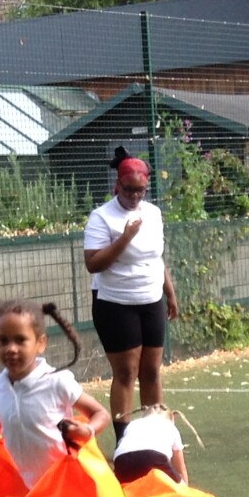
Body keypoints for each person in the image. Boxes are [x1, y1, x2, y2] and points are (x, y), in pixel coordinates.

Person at [0, 301, 109, 488]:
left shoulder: (57, 382)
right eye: (3, 340)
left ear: (40, 343)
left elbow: (101, 414)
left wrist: (87, 431)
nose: (11, 348)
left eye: (20, 340)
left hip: (65, 485)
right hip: (25, 489)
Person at [83, 150, 179, 433]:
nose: (135, 196)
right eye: (129, 190)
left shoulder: (153, 213)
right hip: (115, 303)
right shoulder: (102, 217)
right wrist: (124, 238)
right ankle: (124, 440)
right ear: (118, 185)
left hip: (151, 299)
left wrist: (170, 293)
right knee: (126, 373)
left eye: (141, 191)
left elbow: (156, 258)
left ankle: (154, 435)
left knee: (151, 371)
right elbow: (93, 264)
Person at [111, 403, 191, 485]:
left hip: (122, 459)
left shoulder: (132, 424)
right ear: (172, 419)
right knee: (180, 490)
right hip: (154, 457)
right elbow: (180, 469)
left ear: (144, 415)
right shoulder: (171, 426)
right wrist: (185, 488)